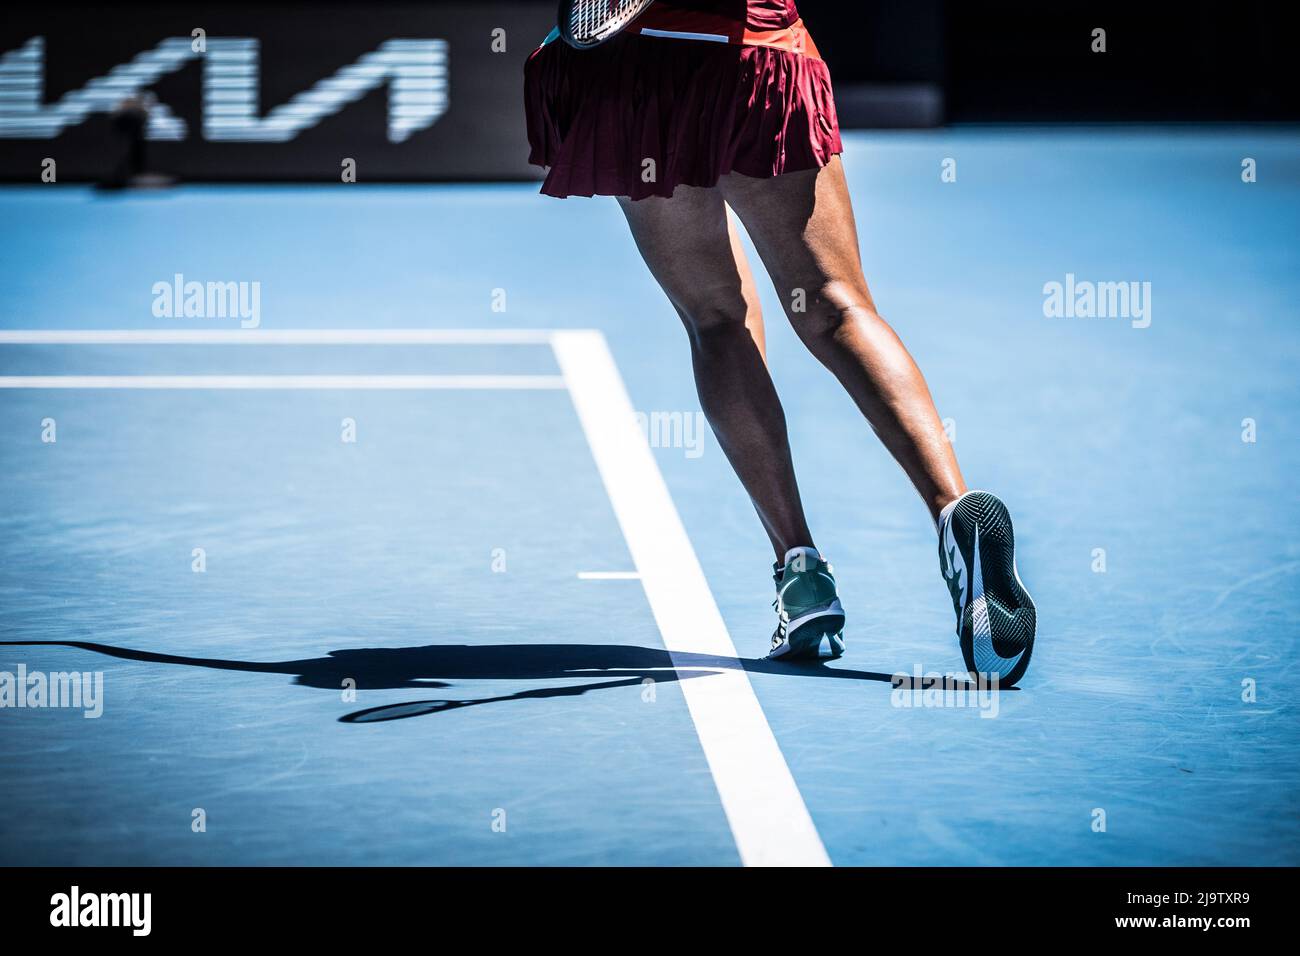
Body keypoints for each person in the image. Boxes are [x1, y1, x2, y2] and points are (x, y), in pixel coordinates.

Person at [524, 1, 1036, 685]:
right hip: (757, 56)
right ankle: (952, 511)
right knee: (837, 307)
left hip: (638, 69)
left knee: (714, 317)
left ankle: (800, 572)